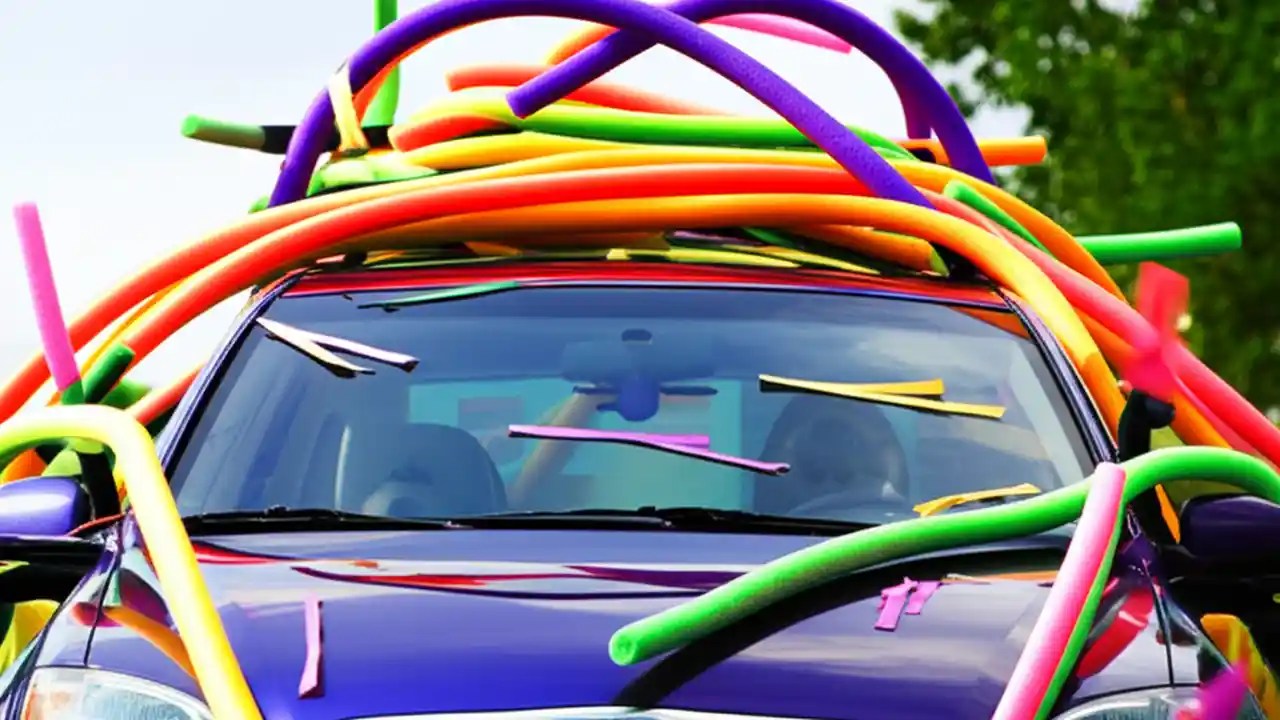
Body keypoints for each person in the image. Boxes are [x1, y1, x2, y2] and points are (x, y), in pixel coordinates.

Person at [755, 393, 910, 517]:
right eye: (815, 471)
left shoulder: (922, 530)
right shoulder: (745, 533)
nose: (831, 482)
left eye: (851, 446)